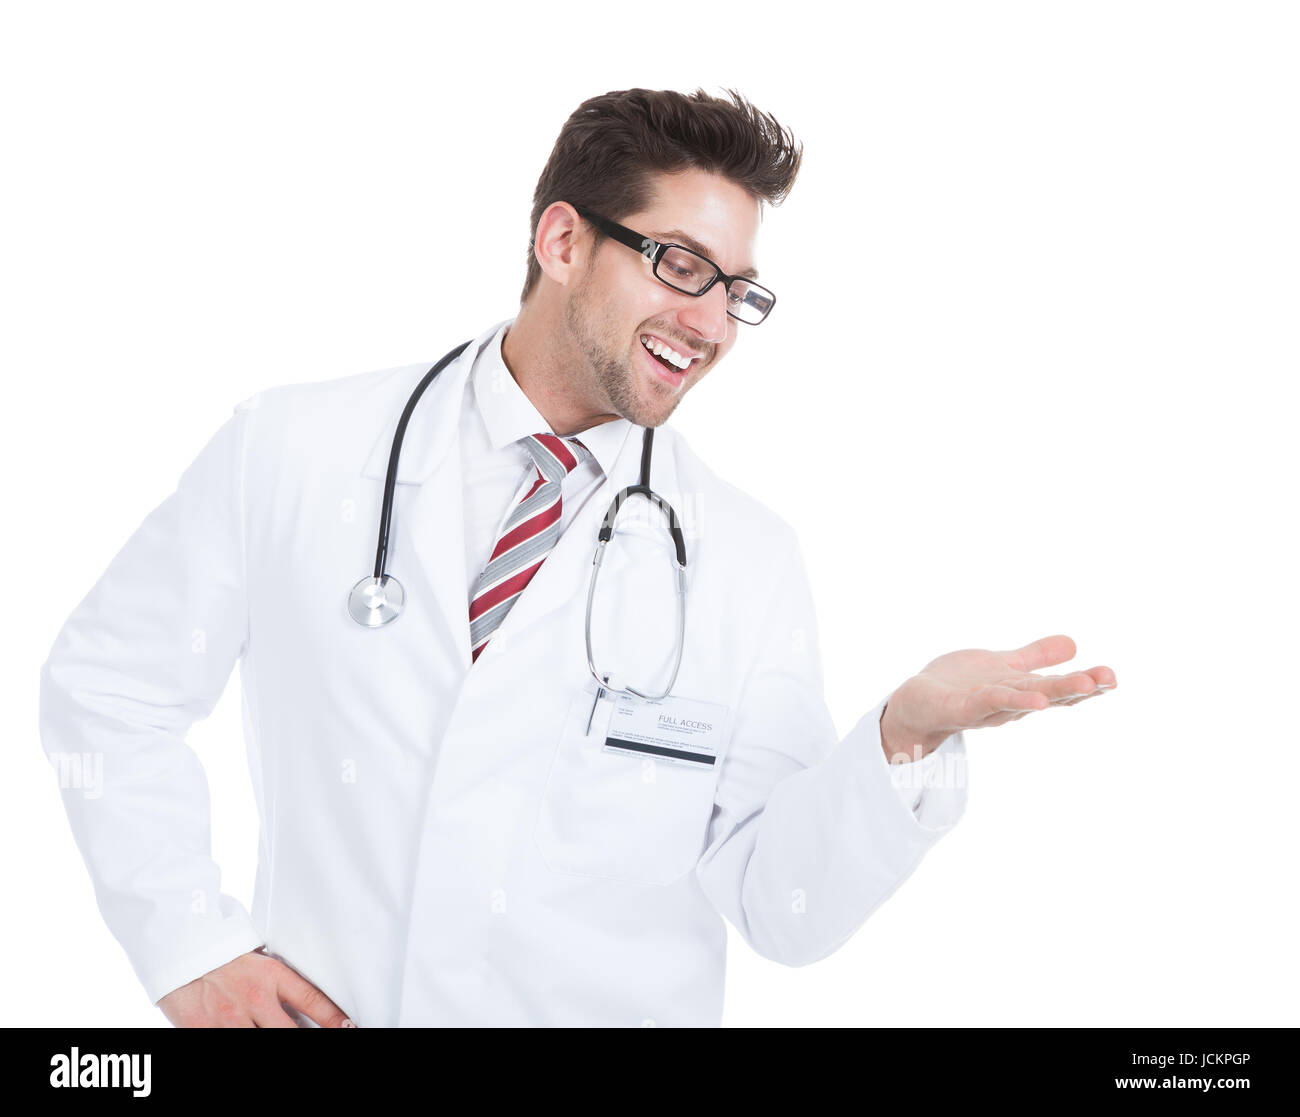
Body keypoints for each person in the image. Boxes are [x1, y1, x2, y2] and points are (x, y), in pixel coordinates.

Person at [38, 87, 1117, 1028]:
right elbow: (110, 686)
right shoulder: (293, 447)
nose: (711, 324)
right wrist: (186, 945)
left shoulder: (746, 560)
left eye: (736, 290)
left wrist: (902, 738)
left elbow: (778, 904)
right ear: (561, 242)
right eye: (681, 266)